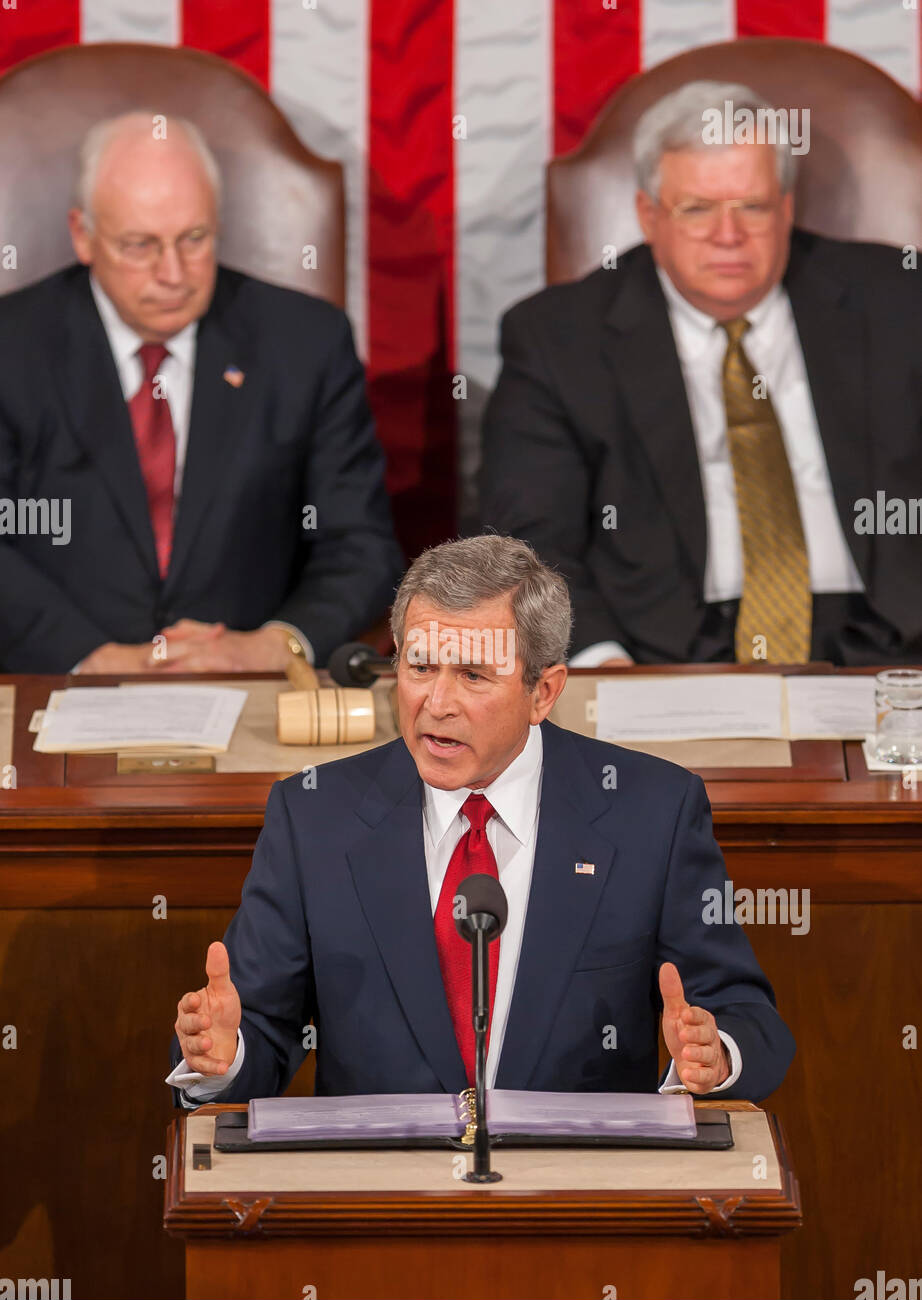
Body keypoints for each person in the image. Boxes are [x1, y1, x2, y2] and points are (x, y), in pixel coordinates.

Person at [168, 534, 794, 1107]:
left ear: (543, 692)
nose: (436, 704)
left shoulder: (651, 812)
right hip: (381, 1207)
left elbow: (746, 1017)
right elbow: (259, 1033)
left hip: (575, 1204)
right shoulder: (314, 817)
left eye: (472, 675)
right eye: (419, 668)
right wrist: (223, 1057)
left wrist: (713, 1056)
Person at [480, 80, 922, 668]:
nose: (728, 235)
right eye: (698, 209)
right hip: (658, 651)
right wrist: (602, 667)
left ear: (786, 208)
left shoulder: (898, 299)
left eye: (753, 207)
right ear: (649, 214)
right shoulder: (558, 337)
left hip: (893, 641)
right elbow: (531, 538)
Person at [0, 111, 403, 674]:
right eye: (139, 246)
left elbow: (359, 544)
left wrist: (276, 644)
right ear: (83, 236)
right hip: (53, 683)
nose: (174, 274)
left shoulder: (305, 342)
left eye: (194, 238)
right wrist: (89, 658)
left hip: (251, 691)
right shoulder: (13, 347)